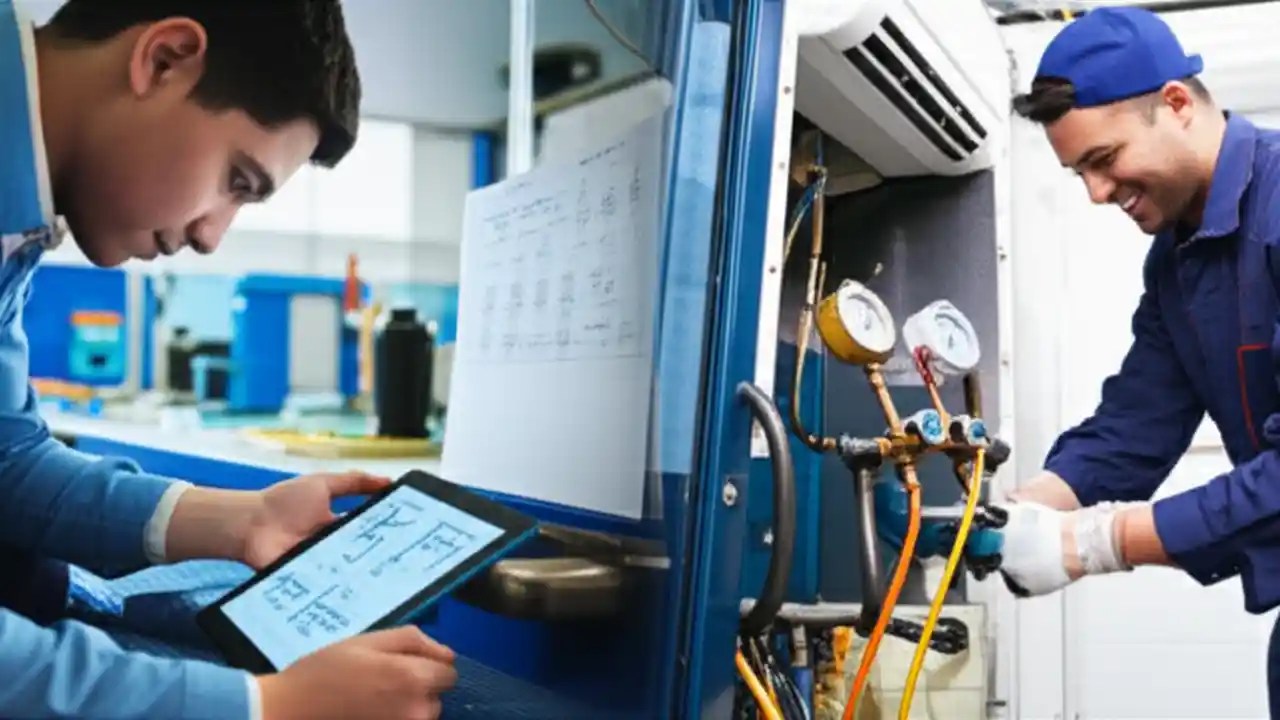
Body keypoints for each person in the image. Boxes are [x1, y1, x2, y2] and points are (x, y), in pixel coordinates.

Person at [0, 1, 456, 718]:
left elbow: (4, 459)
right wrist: (264, 705)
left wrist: (240, 521)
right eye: (237, 181)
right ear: (166, 58)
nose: (214, 236)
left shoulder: (18, 213)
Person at [983, 6, 1280, 714]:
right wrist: (1016, 512)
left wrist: (1098, 542)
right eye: (1077, 171)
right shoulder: (1177, 262)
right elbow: (1135, 425)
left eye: (1103, 160)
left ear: (1175, 103)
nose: (1095, 194)